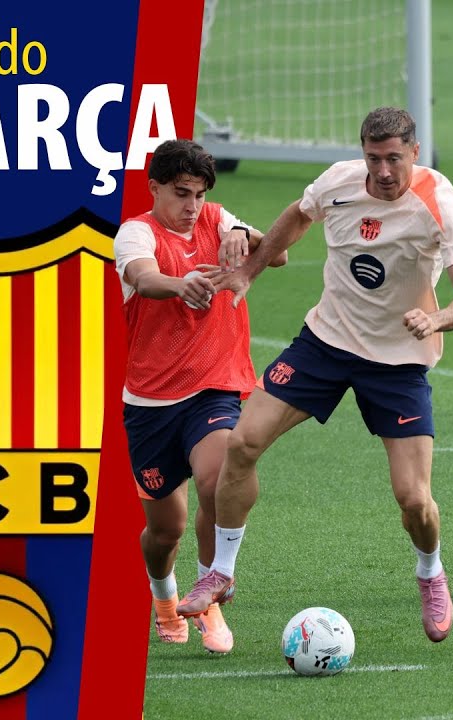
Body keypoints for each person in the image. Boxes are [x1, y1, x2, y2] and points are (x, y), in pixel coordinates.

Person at [175, 107, 453, 644]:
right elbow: (298, 216)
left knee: (414, 499)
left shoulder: (440, 202)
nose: (383, 170)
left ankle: (431, 572)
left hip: (398, 362)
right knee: (242, 444)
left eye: (394, 159)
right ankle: (221, 571)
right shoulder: (339, 182)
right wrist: (248, 271)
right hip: (325, 344)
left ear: (414, 152)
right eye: (373, 158)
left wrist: (436, 319)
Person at [114, 138, 287, 654]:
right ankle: (165, 600)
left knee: (217, 480)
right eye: (180, 193)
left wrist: (243, 233)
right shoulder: (136, 232)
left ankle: (210, 593)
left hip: (214, 388)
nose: (192, 206)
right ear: (155, 188)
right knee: (165, 531)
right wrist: (180, 283)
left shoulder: (217, 219)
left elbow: (277, 255)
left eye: (199, 194)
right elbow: (144, 278)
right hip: (151, 403)